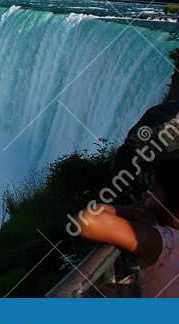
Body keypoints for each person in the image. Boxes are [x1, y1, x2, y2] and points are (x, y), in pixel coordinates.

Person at [76, 102, 179, 297]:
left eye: (154, 189)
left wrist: (134, 211)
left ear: (168, 200)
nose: (147, 193)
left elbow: (87, 220)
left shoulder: (163, 241)